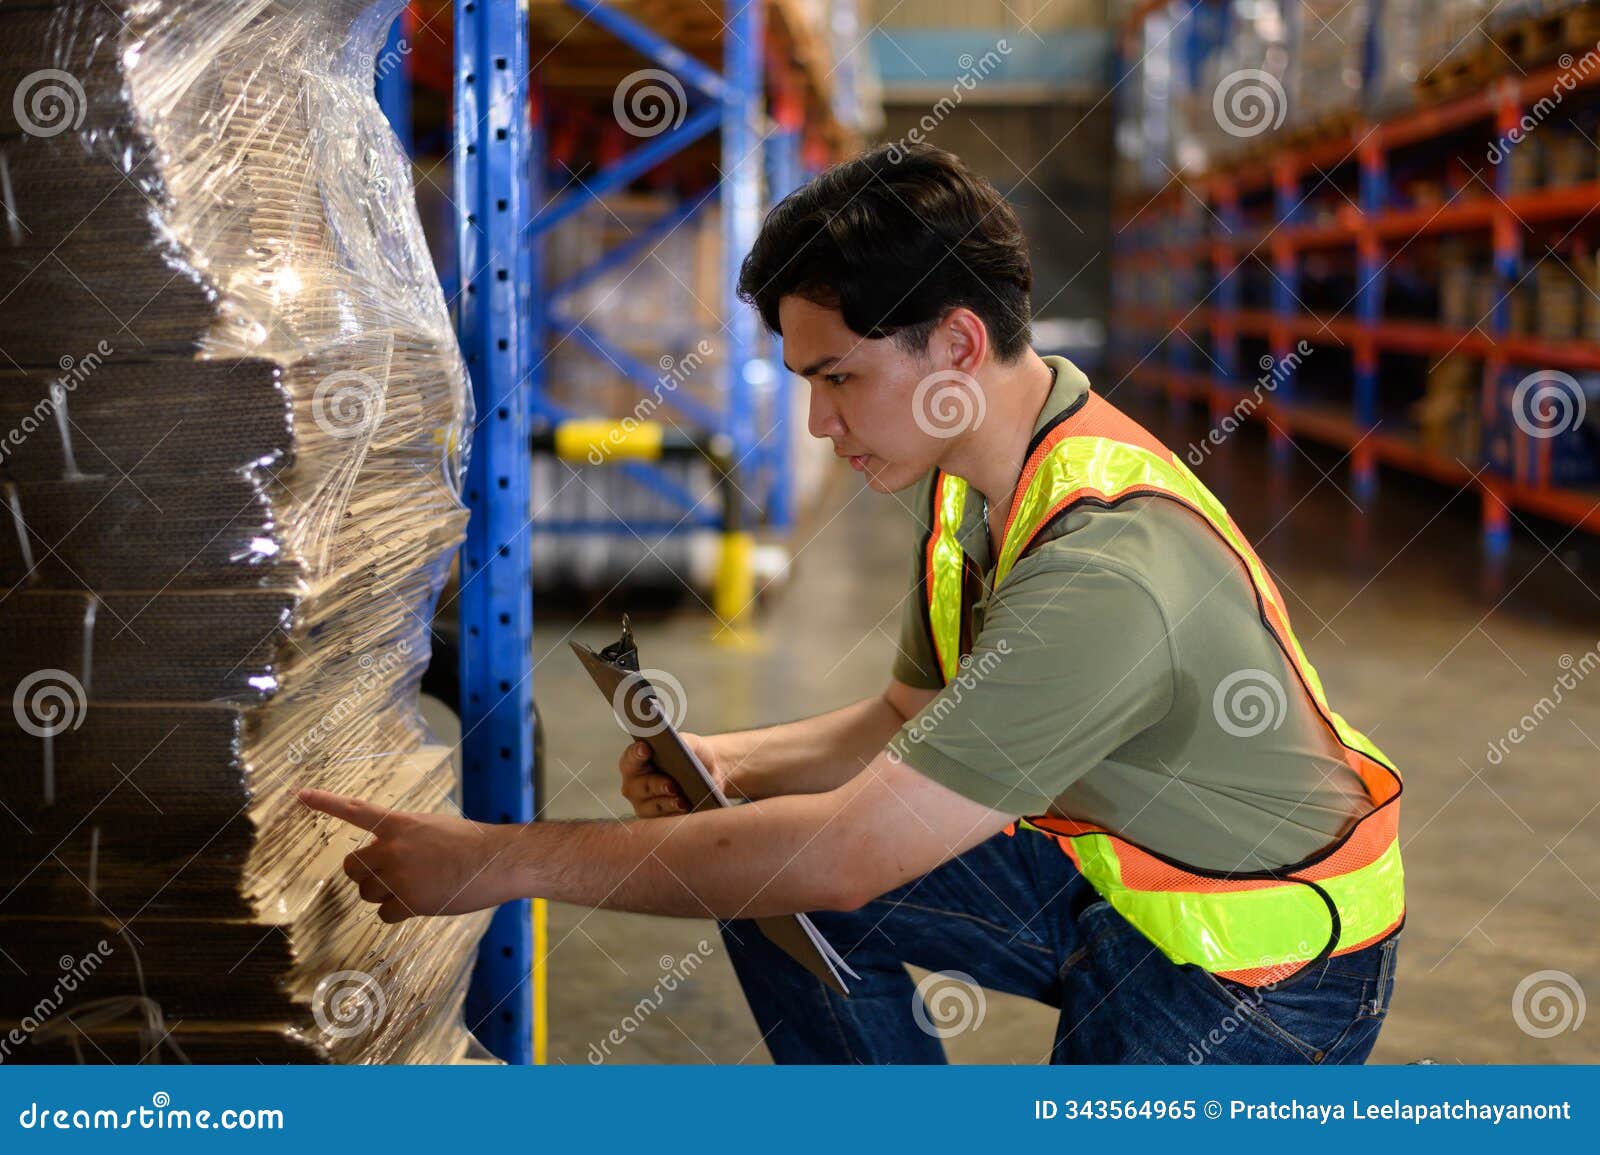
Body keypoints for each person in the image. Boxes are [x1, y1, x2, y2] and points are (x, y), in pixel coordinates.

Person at [300, 144, 1403, 1064]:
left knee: (795, 864)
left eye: (837, 379)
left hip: (1259, 964)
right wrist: (728, 768)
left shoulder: (1104, 561)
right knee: (740, 854)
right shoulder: (985, 483)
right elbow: (897, 719)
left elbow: (849, 854)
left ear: (957, 345)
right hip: (1126, 876)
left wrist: (492, 864)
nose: (821, 425)